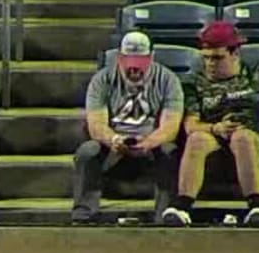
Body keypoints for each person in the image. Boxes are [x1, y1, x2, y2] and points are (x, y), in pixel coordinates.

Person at [165, 21, 259, 226]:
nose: (210, 64)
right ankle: (182, 207)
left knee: (242, 138)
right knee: (197, 139)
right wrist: (216, 128)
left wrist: (238, 127)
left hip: (251, 135)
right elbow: (191, 125)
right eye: (206, 58)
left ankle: (256, 207)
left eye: (217, 58)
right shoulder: (193, 82)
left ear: (235, 53)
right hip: (213, 134)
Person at [71, 31, 183, 224]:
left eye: (140, 65)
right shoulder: (102, 80)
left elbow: (170, 127)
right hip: (113, 145)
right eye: (129, 64)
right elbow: (96, 125)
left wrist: (149, 142)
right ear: (120, 58)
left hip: (151, 144)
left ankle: (164, 216)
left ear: (151, 58)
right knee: (88, 151)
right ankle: (84, 215)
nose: (134, 71)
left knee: (170, 151)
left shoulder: (168, 80)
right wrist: (113, 139)